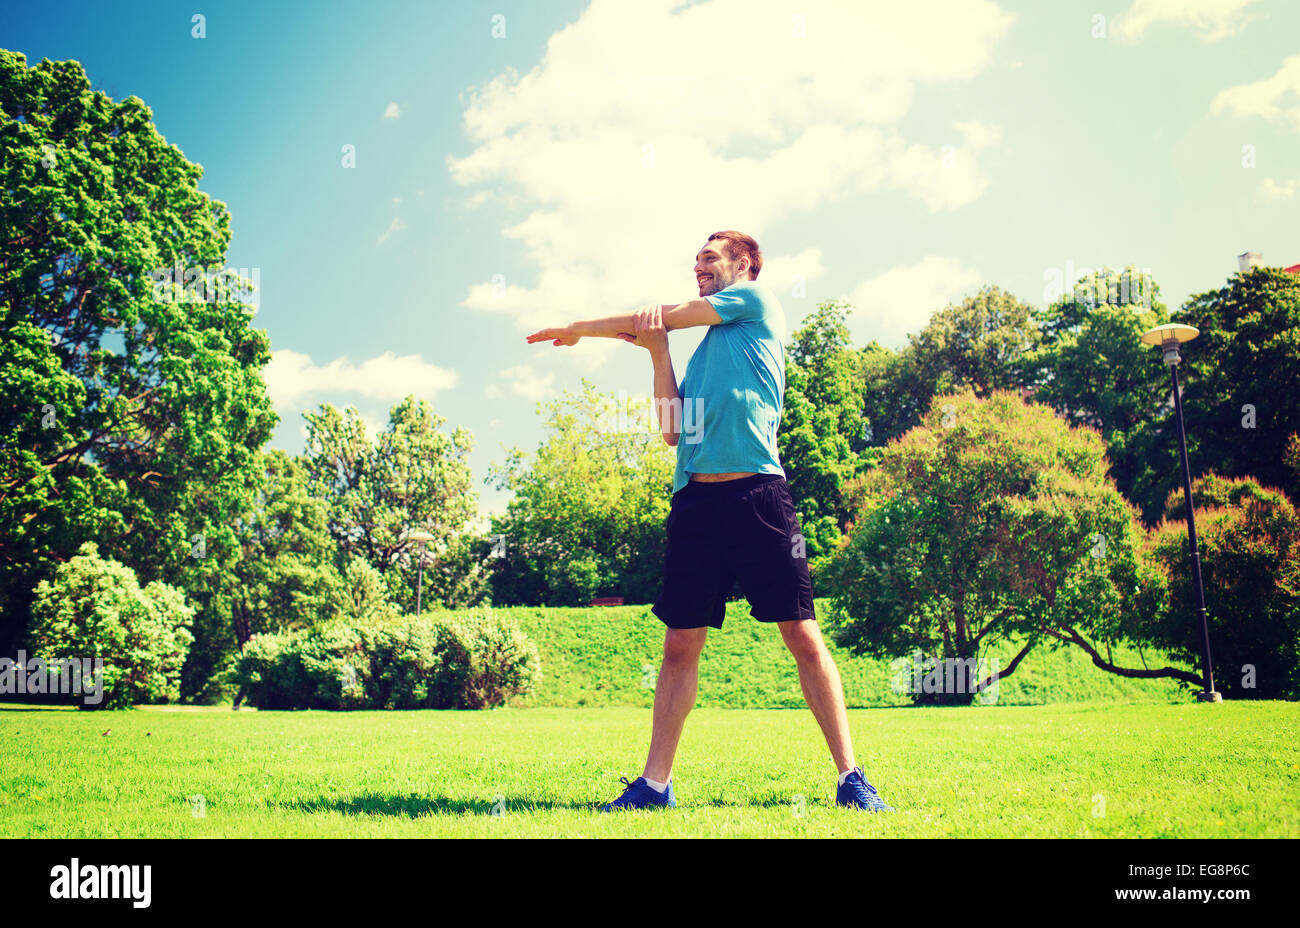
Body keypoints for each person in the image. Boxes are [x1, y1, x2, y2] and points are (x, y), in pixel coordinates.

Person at [525, 230, 892, 813]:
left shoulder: (755, 303)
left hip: (759, 496)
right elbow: (674, 429)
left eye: (709, 258)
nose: (697, 266)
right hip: (697, 504)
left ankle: (852, 779)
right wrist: (655, 351)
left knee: (801, 633)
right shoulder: (703, 353)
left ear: (744, 265)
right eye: (694, 259)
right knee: (679, 645)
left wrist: (578, 326)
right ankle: (653, 786)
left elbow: (668, 314)